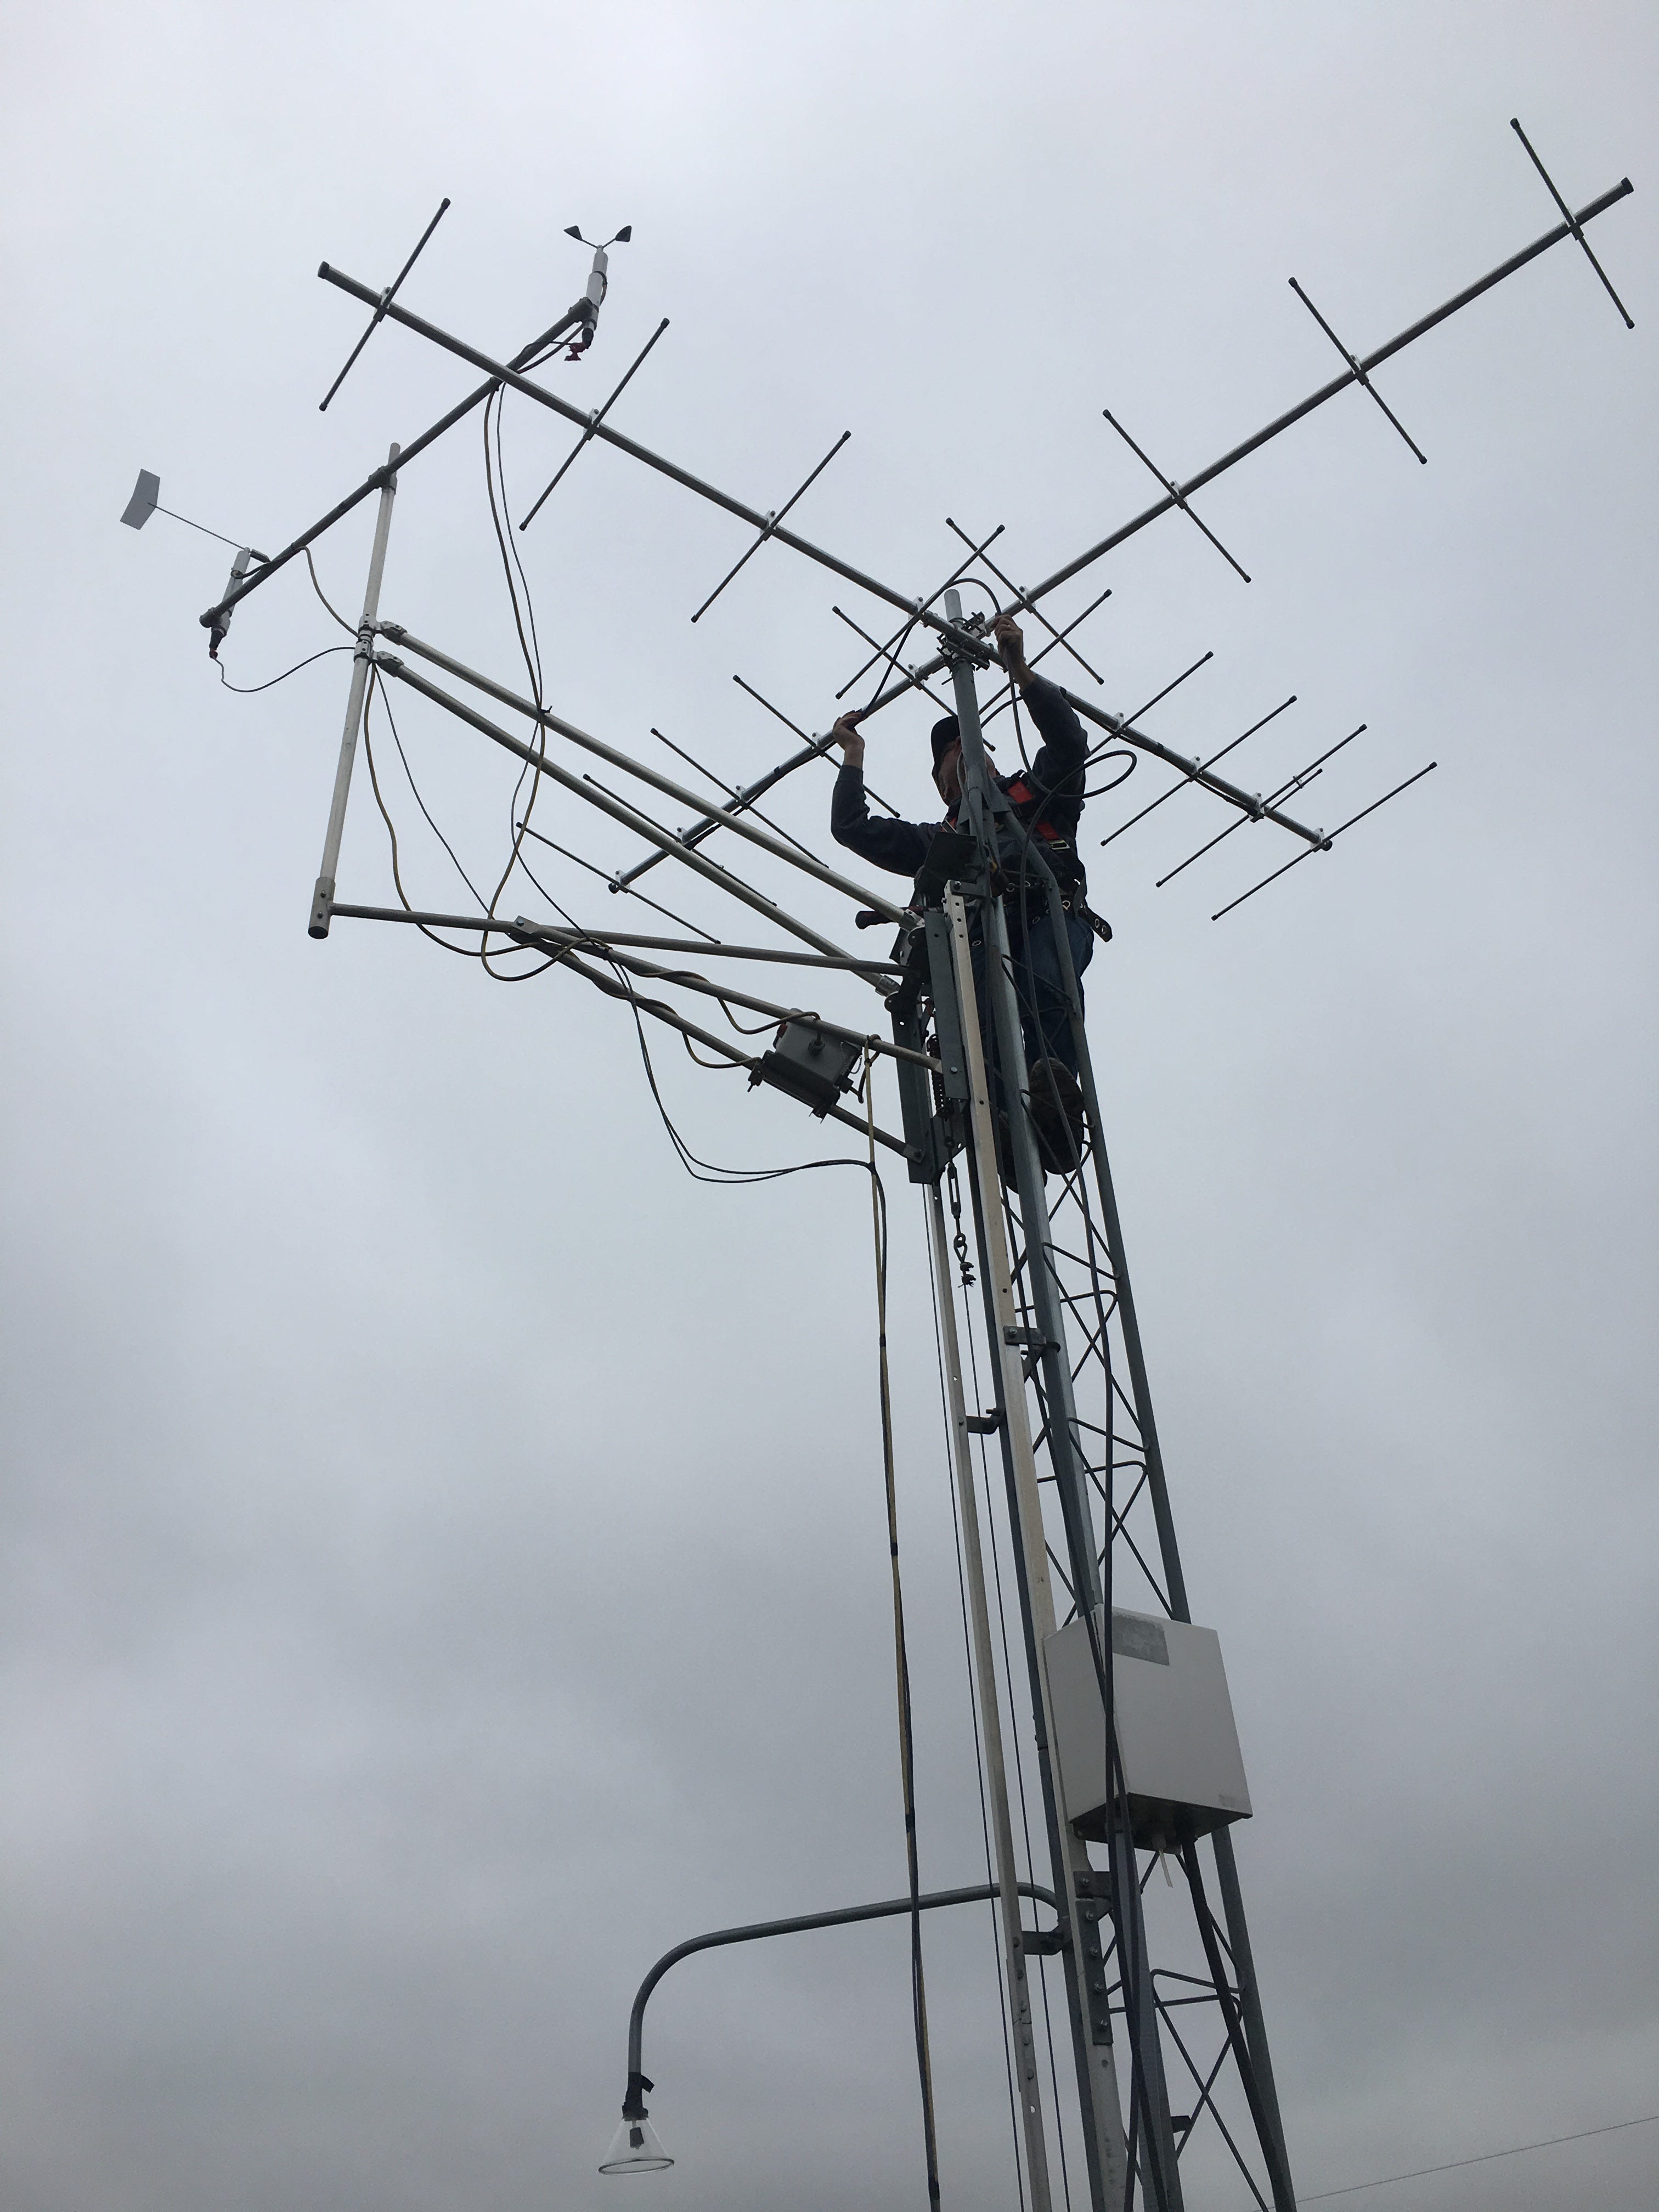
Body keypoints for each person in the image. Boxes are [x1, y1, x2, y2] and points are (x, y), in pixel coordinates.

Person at [829, 613, 1098, 1174]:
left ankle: (1055, 1110)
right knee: (985, 1032)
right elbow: (852, 827)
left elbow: (1071, 743)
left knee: (1047, 990)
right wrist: (852, 755)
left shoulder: (1036, 795)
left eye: (970, 745)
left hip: (1050, 913)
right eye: (950, 755)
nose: (963, 754)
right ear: (940, 784)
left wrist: (1019, 670)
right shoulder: (939, 840)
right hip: (981, 943)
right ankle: (1005, 1128)